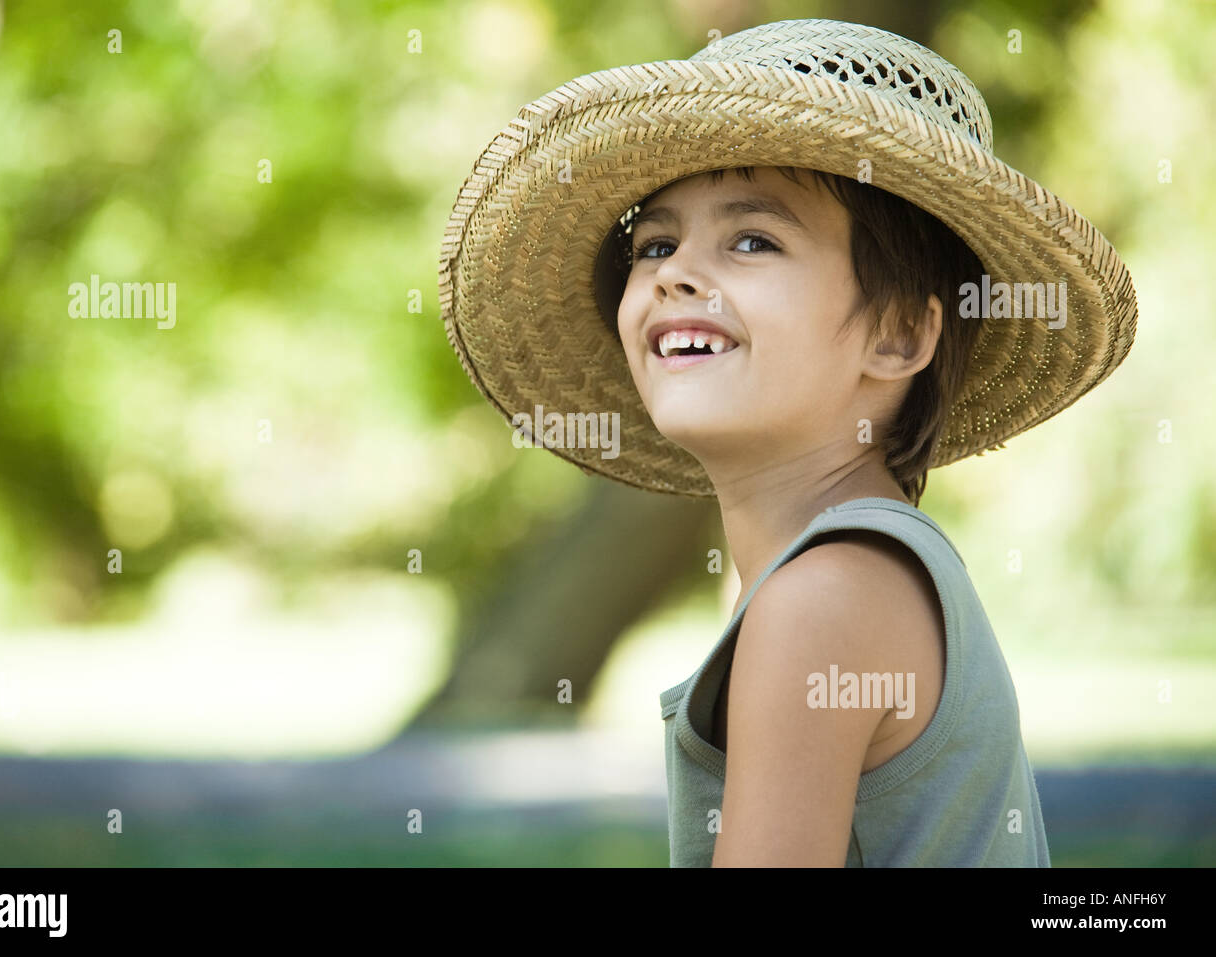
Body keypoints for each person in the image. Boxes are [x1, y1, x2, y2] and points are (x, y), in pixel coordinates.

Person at [438, 18, 1137, 866]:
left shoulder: (823, 598)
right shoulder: (825, 576)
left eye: (753, 240)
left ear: (898, 336)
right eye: (654, 244)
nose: (673, 272)